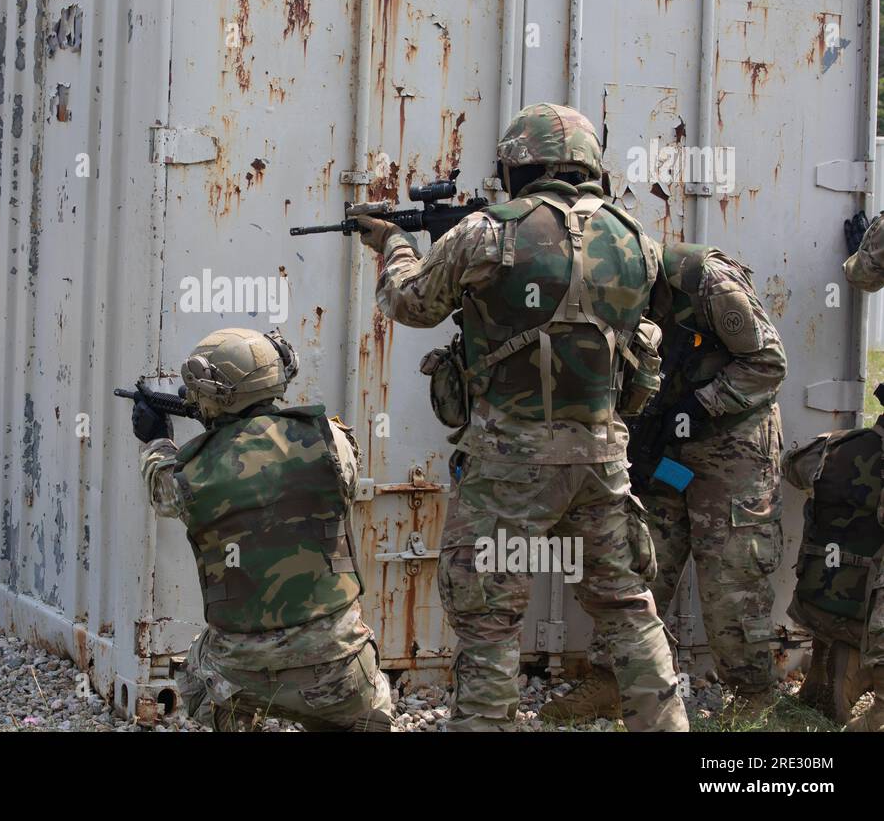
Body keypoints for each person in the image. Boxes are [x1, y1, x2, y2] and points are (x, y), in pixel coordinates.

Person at [355, 102, 687, 731]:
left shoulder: (488, 232)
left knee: (488, 617)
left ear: (519, 166)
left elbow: (411, 303)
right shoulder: (637, 239)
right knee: (625, 604)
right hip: (601, 457)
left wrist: (394, 244)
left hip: (511, 463)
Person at [544, 243, 786, 722]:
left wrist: (701, 407)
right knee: (640, 562)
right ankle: (614, 680)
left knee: (733, 571)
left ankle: (752, 695)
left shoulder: (704, 279)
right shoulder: (602, 289)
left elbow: (767, 363)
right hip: (664, 447)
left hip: (732, 442)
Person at [133, 327, 393, 731]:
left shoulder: (188, 472)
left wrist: (156, 441)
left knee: (197, 668)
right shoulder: (331, 440)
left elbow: (161, 489)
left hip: (240, 676)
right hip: (337, 671)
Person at [782, 397, 884, 731]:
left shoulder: (833, 446)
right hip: (866, 618)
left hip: (813, 601)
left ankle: (819, 669)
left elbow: (790, 467)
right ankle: (855, 678)